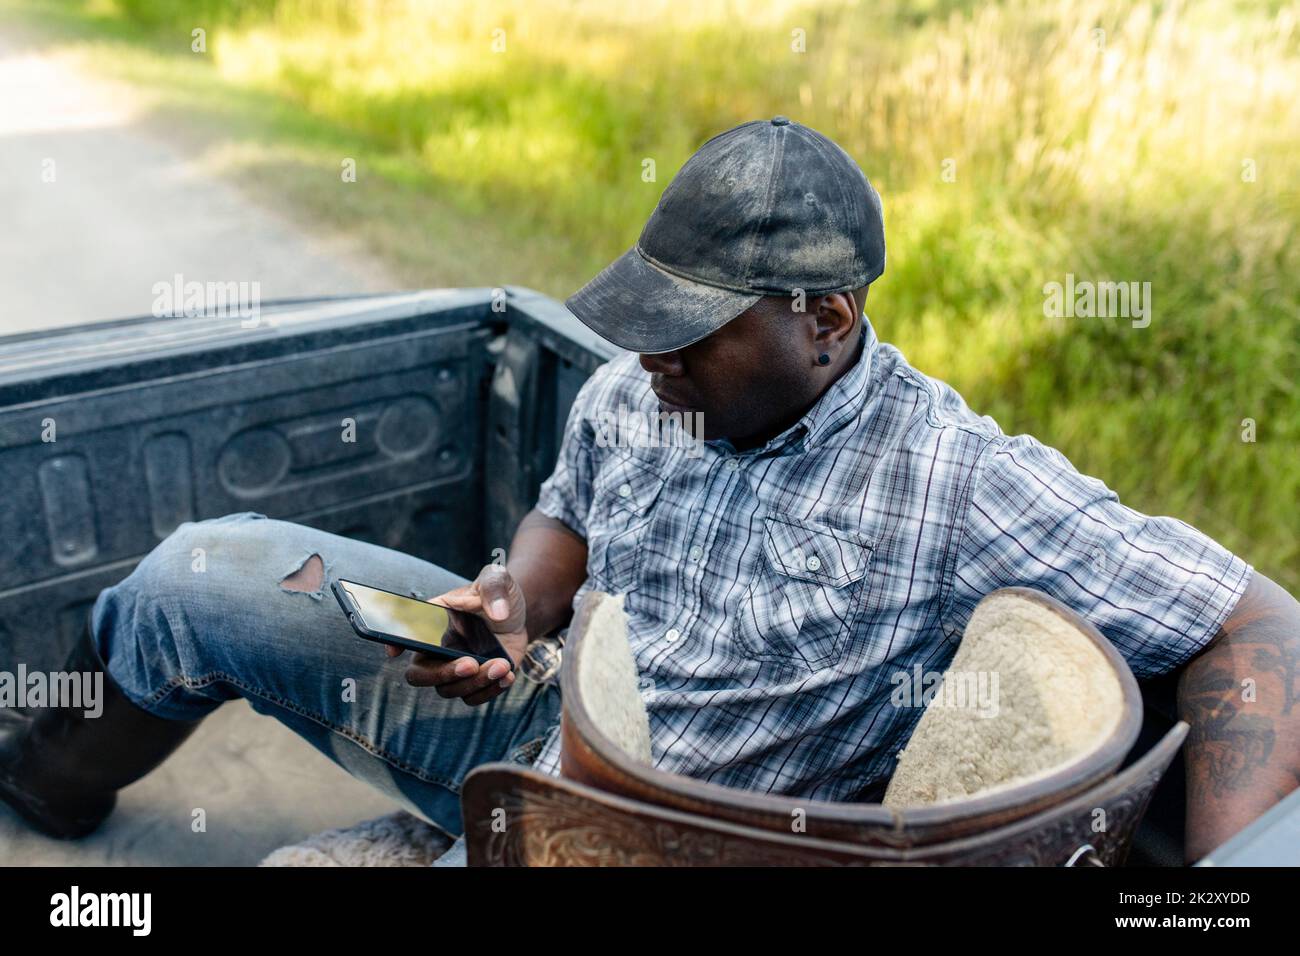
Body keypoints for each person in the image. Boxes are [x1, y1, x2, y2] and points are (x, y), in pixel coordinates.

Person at [2, 118, 1296, 865]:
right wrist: (518, 600)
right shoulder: (647, 390)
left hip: (657, 840)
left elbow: (1258, 626)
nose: (651, 356)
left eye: (691, 332)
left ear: (829, 319)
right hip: (532, 715)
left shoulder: (960, 481)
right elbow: (565, 510)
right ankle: (51, 785)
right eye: (649, 320)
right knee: (193, 574)